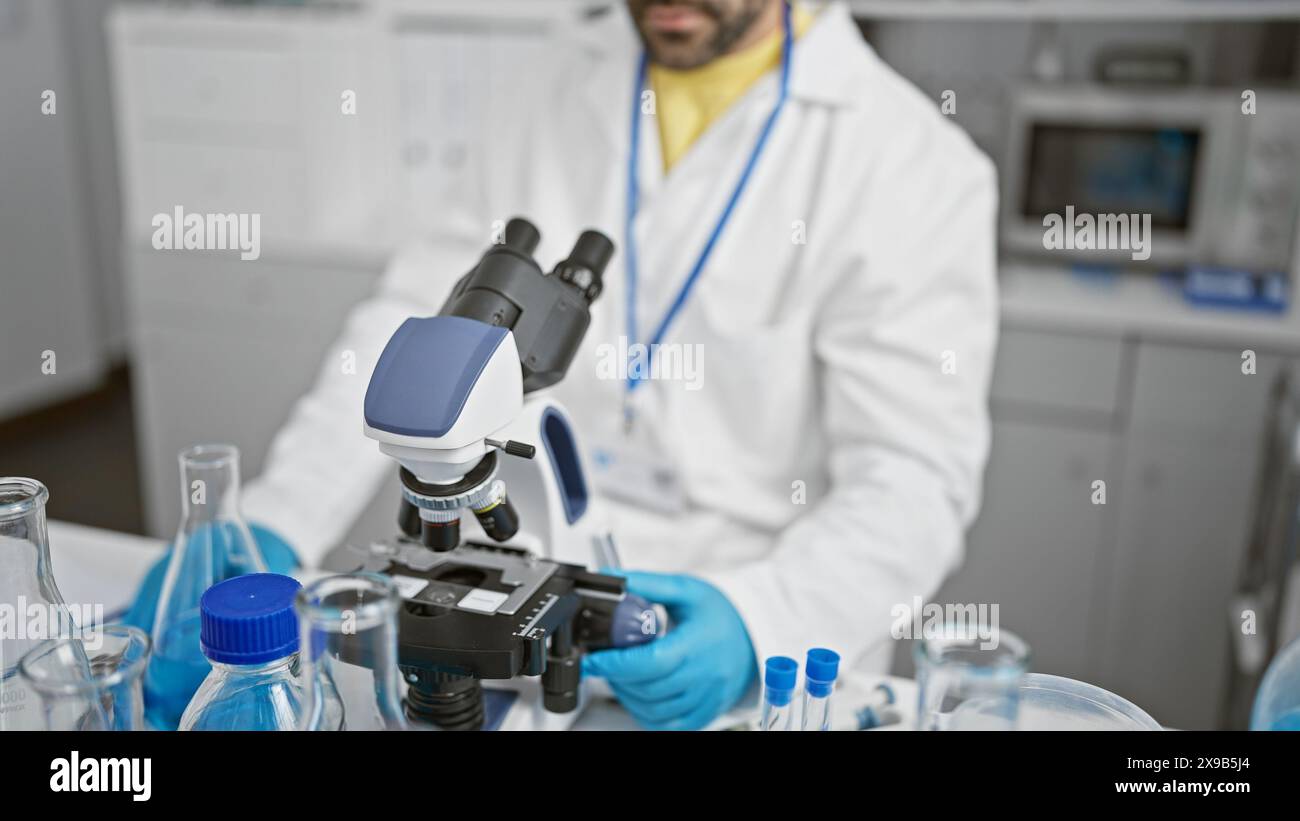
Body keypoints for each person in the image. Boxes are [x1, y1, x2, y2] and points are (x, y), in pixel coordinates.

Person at [127, 0, 997, 730]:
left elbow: (912, 475)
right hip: (520, 573)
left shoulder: (912, 164)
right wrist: (276, 518)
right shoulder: (543, 85)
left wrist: (761, 617)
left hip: (733, 625)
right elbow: (412, 320)